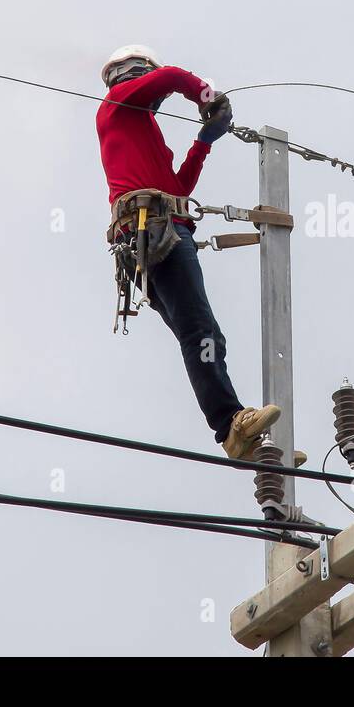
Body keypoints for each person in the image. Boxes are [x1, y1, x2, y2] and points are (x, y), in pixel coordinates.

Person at [96, 44, 279, 461]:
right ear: (131, 73)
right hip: (156, 232)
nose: (158, 102)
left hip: (161, 231)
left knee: (201, 332)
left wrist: (203, 141)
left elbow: (179, 190)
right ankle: (231, 422)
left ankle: (235, 432)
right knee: (201, 331)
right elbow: (172, 77)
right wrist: (205, 95)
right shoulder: (116, 105)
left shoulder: (143, 135)